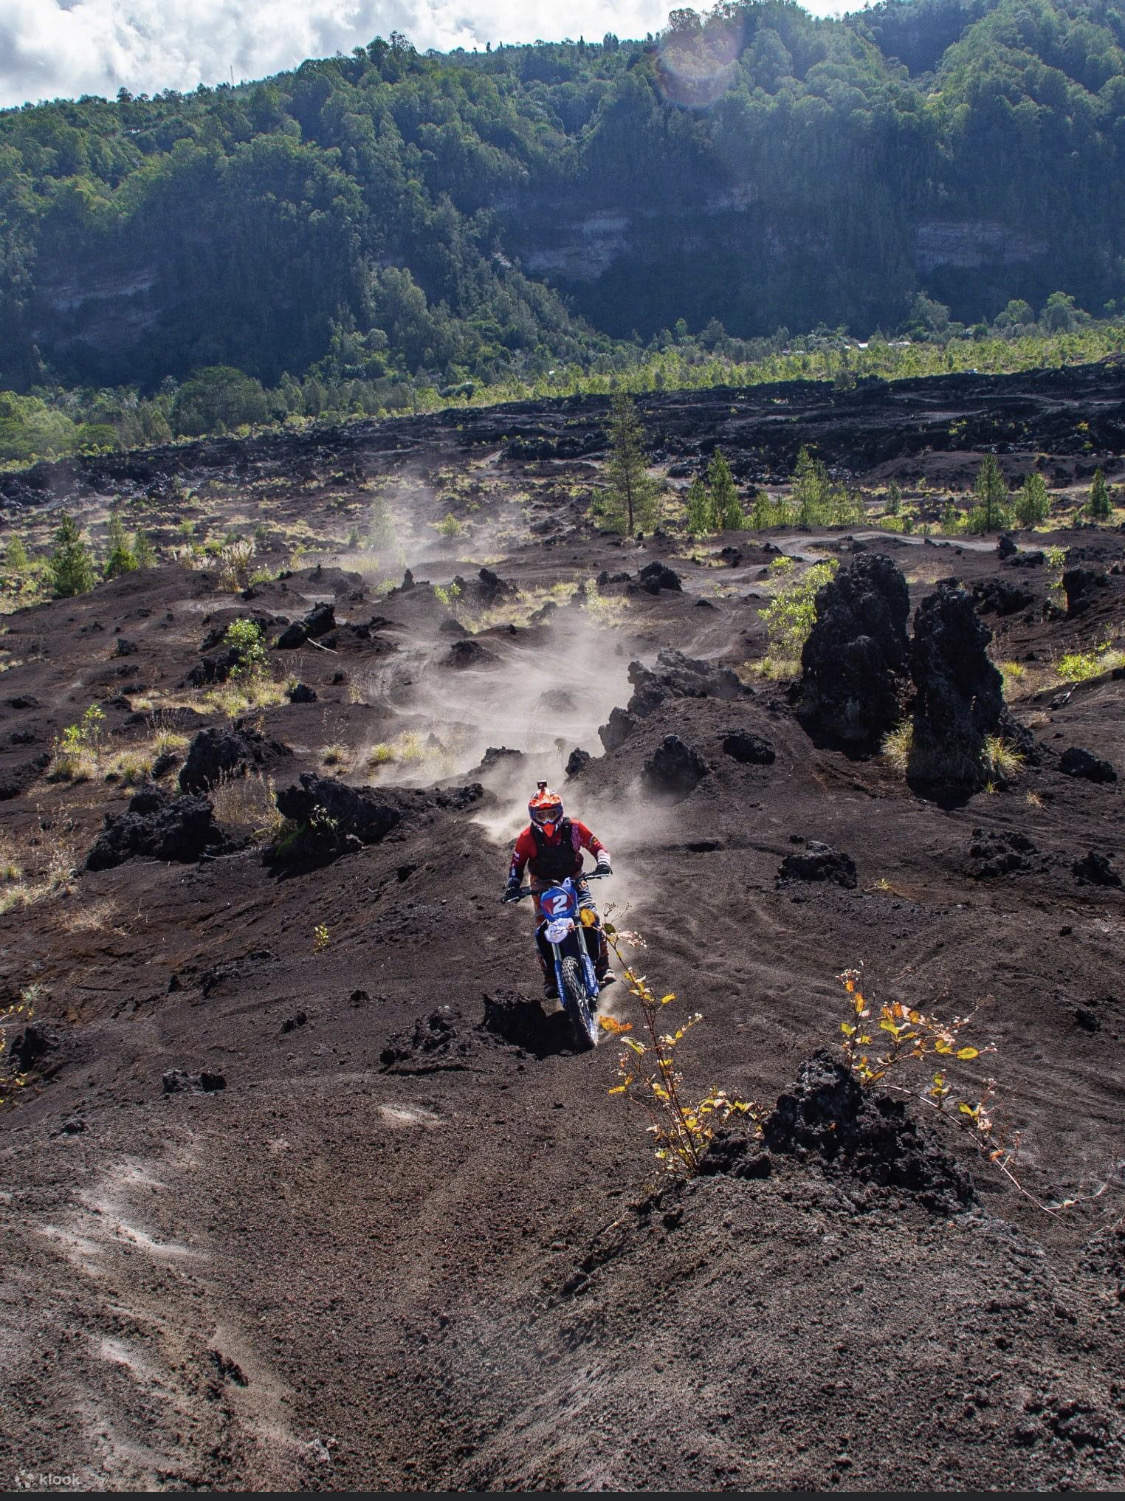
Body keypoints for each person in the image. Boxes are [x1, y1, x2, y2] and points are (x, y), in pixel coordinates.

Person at [503, 782, 613, 999]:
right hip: (543, 885)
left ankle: (603, 966)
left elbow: (598, 847)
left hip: (574, 878)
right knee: (543, 928)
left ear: (560, 811)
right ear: (533, 815)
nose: (547, 820)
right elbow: (516, 866)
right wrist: (513, 886)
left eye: (552, 813)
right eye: (541, 815)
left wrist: (603, 863)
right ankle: (551, 978)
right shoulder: (526, 838)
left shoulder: (574, 828)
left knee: (591, 916)